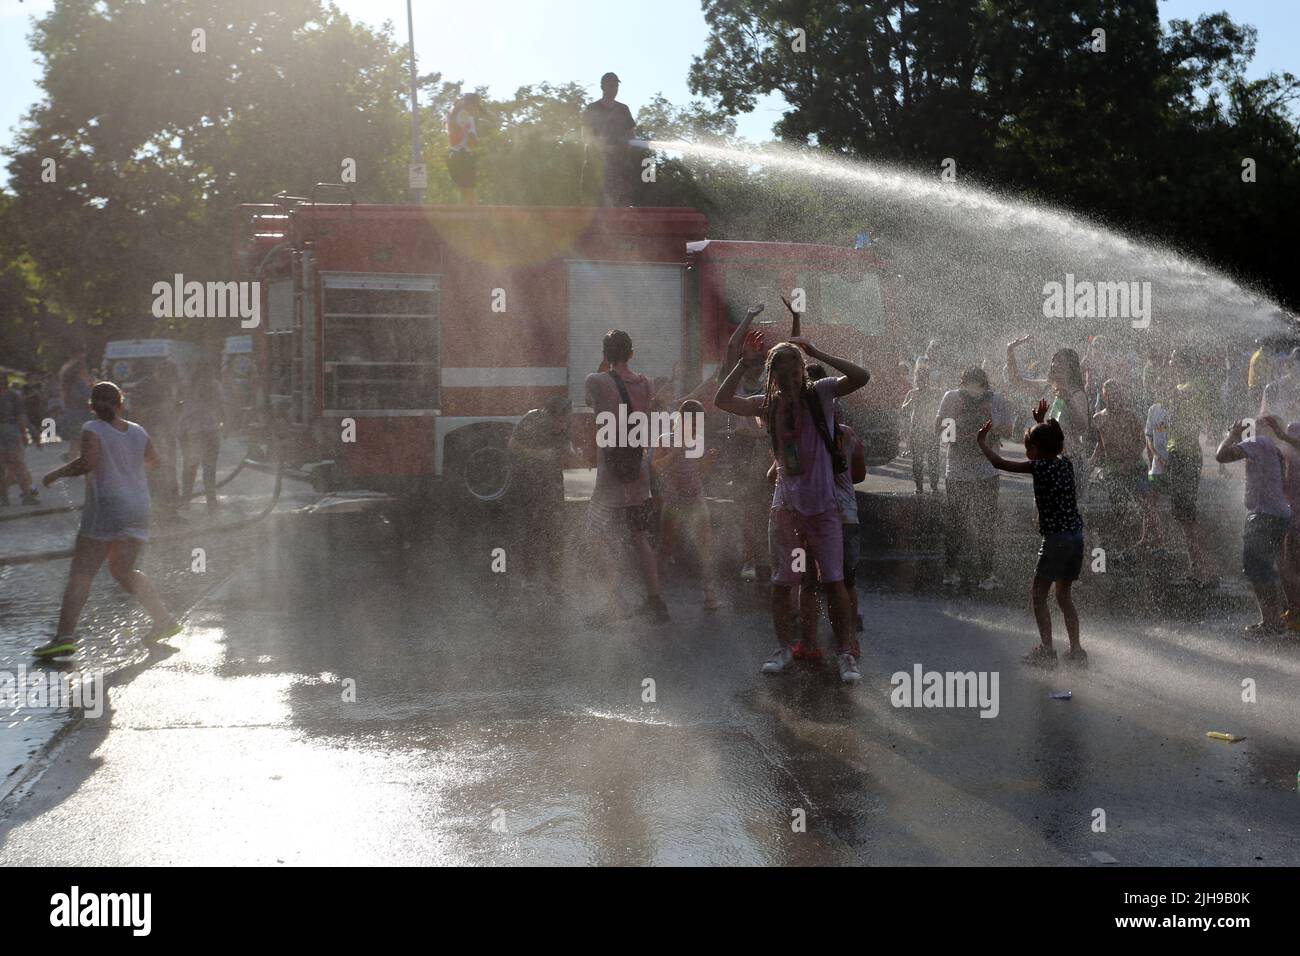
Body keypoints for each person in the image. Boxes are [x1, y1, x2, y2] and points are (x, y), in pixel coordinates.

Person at [715, 331, 872, 683]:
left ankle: (846, 652)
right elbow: (722, 399)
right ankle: (783, 647)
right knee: (782, 582)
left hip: (824, 509)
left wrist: (818, 351)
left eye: (795, 374)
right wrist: (744, 362)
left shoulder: (822, 393)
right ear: (773, 377)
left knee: (834, 582)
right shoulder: (768, 404)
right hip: (785, 509)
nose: (789, 382)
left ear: (803, 371)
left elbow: (862, 377)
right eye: (782, 377)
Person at [33, 382, 180, 658]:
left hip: (106, 508)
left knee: (82, 573)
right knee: (123, 570)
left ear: (91, 405)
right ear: (121, 403)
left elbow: (87, 463)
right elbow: (156, 462)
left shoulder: (93, 429)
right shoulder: (138, 431)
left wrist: (55, 474)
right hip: (137, 508)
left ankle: (64, 637)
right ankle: (164, 620)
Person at [977, 401, 1087, 668]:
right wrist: (1043, 421)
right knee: (1063, 596)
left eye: (1029, 447)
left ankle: (1047, 651)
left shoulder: (1039, 466)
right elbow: (1056, 442)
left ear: (1036, 451)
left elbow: (999, 463)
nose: (1026, 452)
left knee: (1038, 594)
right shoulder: (1066, 463)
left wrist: (981, 441)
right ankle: (1076, 650)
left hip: (1057, 540)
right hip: (1076, 538)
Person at [584, 329, 669, 624]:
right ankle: (656, 602)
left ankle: (612, 602)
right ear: (632, 353)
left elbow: (589, 397)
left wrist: (606, 361)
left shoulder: (596, 381)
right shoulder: (647, 383)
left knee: (597, 536)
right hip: (638, 469)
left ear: (606, 355)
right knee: (639, 536)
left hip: (611, 475)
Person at [793, 382, 868, 661]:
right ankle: (849, 642)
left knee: (810, 581)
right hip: (846, 515)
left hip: (813, 516)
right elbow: (860, 473)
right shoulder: (848, 434)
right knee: (845, 581)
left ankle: (809, 643)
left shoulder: (802, 434)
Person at [935, 367, 1013, 591]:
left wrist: (990, 421)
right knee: (957, 522)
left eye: (977, 387)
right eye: (968, 387)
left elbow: (1009, 431)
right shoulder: (951, 397)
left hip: (986, 468)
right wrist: (956, 420)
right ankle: (952, 571)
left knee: (985, 522)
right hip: (958, 469)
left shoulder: (997, 399)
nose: (972, 392)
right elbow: (939, 429)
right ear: (962, 385)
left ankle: (985, 573)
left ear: (985, 386)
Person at [1217, 417, 1291, 636]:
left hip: (1264, 516)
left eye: (1260, 423)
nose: (1253, 425)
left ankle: (1271, 622)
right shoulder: (1273, 449)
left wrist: (1232, 434)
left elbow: (1220, 456)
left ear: (1269, 429)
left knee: (1257, 570)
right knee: (1265, 569)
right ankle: (1276, 618)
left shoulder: (1261, 443)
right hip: (1276, 515)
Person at [653, 399, 721, 611]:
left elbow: (697, 474)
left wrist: (707, 465)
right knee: (665, 548)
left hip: (695, 499)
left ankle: (710, 594)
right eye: (691, 423)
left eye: (697, 424)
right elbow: (655, 468)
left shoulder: (698, 442)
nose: (695, 428)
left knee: (705, 547)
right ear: (680, 420)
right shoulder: (665, 439)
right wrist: (675, 452)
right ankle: (655, 593)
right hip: (673, 502)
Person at [1006, 336, 1091, 501]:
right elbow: (1016, 380)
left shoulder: (1076, 394)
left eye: (1060, 362)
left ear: (1071, 368)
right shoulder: (1048, 387)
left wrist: (1067, 398)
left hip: (1070, 462)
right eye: (1053, 361)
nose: (1054, 364)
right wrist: (1010, 350)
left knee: (1067, 514)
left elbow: (1082, 427)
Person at [507, 395, 574, 588]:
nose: (562, 426)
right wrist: (538, 454)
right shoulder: (532, 419)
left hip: (553, 481)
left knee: (556, 529)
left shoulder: (565, 423)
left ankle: (555, 577)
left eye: (565, 421)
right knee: (534, 529)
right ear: (548, 415)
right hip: (530, 481)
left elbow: (566, 442)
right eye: (559, 421)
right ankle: (529, 577)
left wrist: (571, 451)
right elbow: (512, 445)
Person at [1165, 350, 1217, 586]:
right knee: (1184, 517)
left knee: (1188, 516)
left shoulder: (1194, 386)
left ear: (1184, 362)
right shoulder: (1180, 386)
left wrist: (1174, 394)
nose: (1170, 361)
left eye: (1174, 358)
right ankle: (1198, 569)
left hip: (1187, 455)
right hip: (1179, 454)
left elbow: (1191, 409)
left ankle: (1206, 570)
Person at [1092, 380, 1162, 553]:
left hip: (1135, 466)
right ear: (1103, 395)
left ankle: (1153, 540)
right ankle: (1128, 544)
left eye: (1115, 392)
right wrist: (1090, 463)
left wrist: (1129, 462)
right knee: (1121, 509)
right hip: (1113, 469)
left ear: (1120, 394)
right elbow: (1100, 445)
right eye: (1107, 393)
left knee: (1146, 502)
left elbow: (1141, 441)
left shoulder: (1130, 416)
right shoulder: (1098, 418)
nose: (1112, 396)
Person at [580, 72, 636, 207]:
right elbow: (585, 136)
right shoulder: (592, 109)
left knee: (620, 202)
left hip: (618, 166)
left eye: (616, 86)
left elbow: (632, 135)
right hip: (596, 165)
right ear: (602, 87)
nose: (614, 89)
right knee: (593, 202)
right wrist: (599, 144)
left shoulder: (623, 109)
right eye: (611, 85)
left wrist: (623, 144)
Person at [178, 361, 224, 513]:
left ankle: (186, 502)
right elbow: (221, 406)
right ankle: (211, 502)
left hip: (190, 430)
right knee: (209, 468)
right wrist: (226, 424)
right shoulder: (215, 386)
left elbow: (175, 404)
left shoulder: (186, 385)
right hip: (209, 429)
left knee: (190, 467)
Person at [901, 358, 940, 494]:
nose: (921, 380)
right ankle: (919, 487)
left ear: (928, 379)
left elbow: (940, 411)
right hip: (917, 430)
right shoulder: (912, 393)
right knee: (918, 460)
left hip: (930, 430)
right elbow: (903, 409)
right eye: (919, 377)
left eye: (924, 377)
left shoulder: (934, 393)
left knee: (933, 459)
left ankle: (934, 486)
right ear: (916, 378)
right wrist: (911, 401)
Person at [0, 375, 39, 506]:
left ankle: (16, 496)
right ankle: (14, 496)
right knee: (15, 466)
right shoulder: (13, 396)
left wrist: (24, 433)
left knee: (15, 465)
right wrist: (25, 434)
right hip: (11, 431)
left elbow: (21, 417)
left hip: (10, 431)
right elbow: (21, 416)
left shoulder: (13, 396)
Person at [446, 92, 481, 205]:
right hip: (464, 155)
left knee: (461, 187)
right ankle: (471, 215)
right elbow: (471, 140)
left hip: (453, 155)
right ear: (471, 105)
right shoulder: (467, 117)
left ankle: (462, 213)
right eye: (476, 106)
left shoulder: (455, 114)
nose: (477, 110)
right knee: (469, 188)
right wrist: (477, 141)